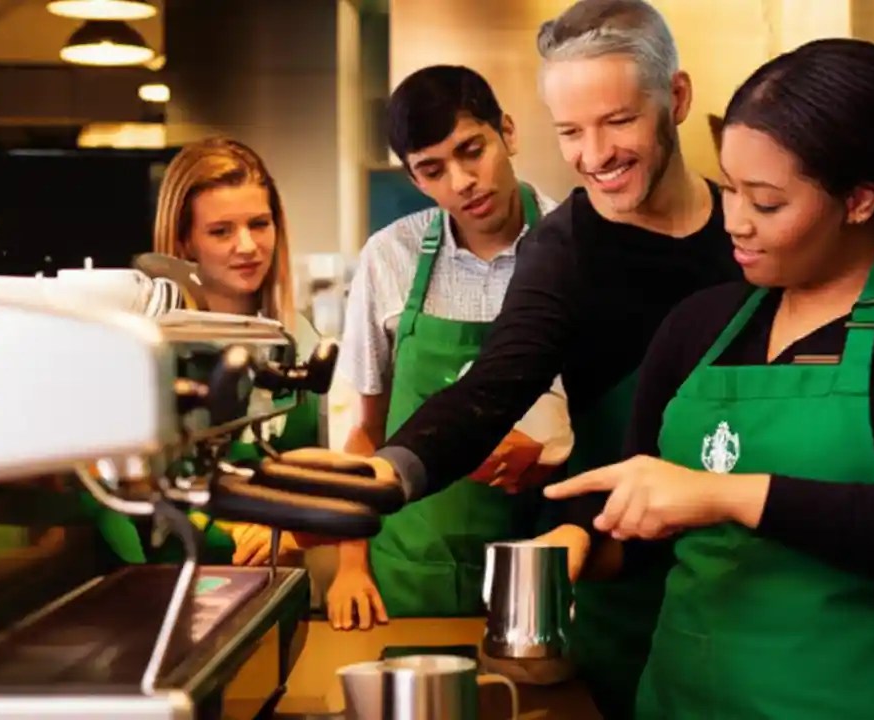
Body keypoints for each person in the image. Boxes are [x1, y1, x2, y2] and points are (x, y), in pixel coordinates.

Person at [289, 2, 741, 716]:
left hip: (741, 584)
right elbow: (492, 388)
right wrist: (382, 477)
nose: (595, 155)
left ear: (675, 99)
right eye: (570, 132)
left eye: (617, 121)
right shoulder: (561, 251)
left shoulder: (748, 234)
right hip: (605, 575)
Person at [544, 38, 874, 719]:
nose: (736, 222)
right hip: (679, 703)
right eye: (731, 189)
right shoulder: (701, 323)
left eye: (768, 202)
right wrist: (581, 541)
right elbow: (644, 528)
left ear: (861, 199)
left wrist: (725, 496)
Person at [327, 65, 572, 627]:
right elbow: (368, 429)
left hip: (538, 559)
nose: (462, 181)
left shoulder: (574, 242)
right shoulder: (389, 256)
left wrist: (549, 448)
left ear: (507, 133)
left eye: (472, 150)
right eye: (433, 170)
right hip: (411, 569)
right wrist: (350, 567)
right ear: (415, 181)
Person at [92, 136, 324, 567]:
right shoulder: (142, 348)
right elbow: (121, 501)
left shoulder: (299, 341)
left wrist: (295, 531)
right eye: (221, 231)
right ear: (183, 244)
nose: (248, 246)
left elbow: (319, 483)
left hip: (268, 580)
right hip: (159, 581)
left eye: (259, 224)